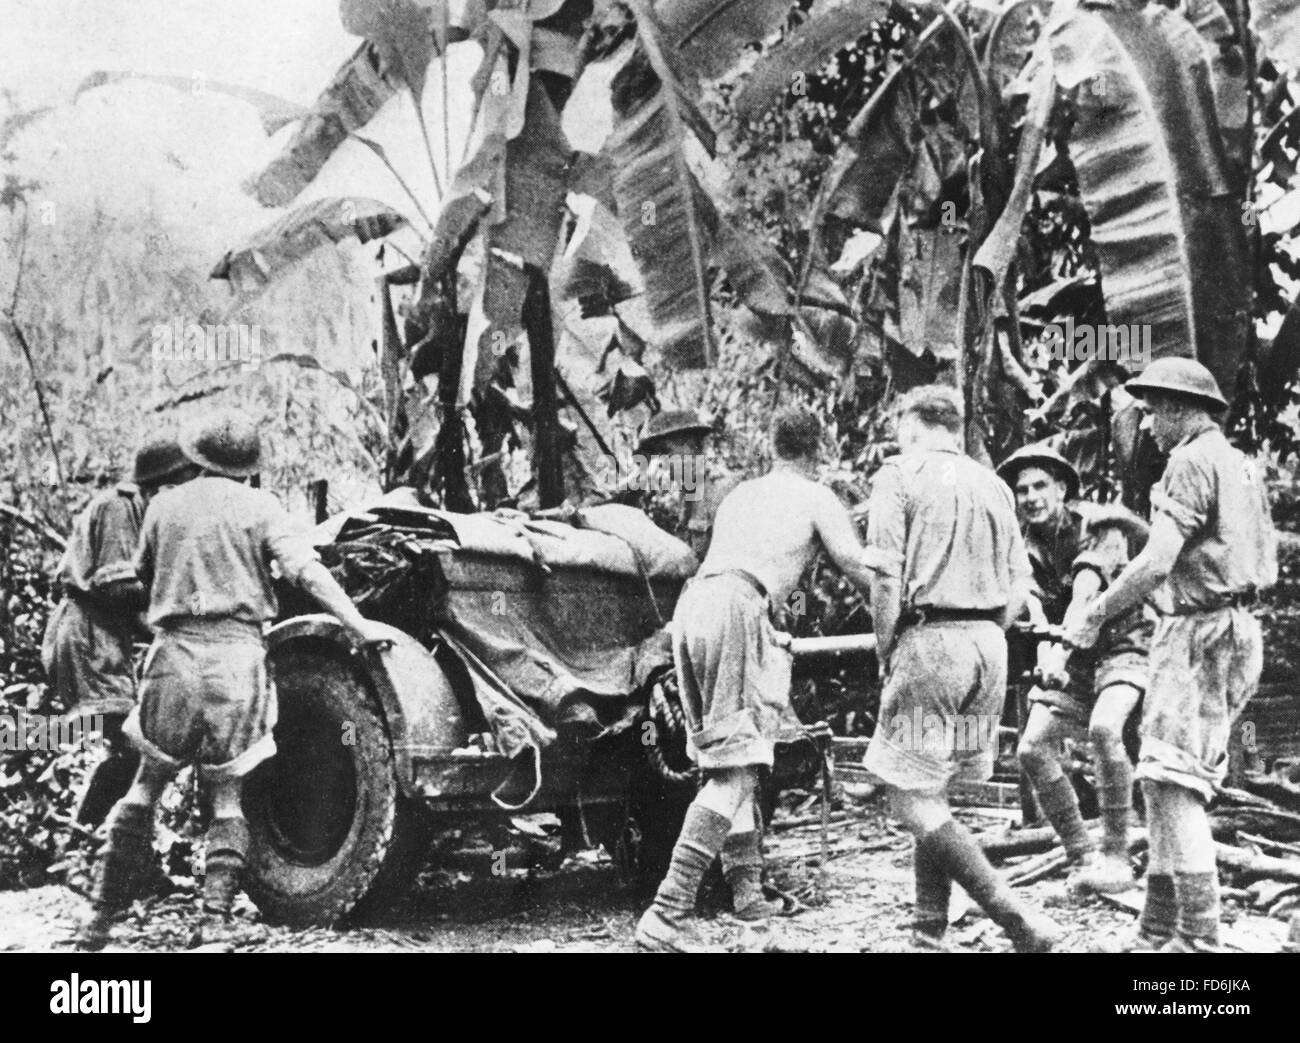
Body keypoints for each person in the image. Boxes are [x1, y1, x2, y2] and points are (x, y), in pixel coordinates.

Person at [75, 410, 391, 950]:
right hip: (237, 659)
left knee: (145, 786)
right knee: (228, 798)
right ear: (249, 465)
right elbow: (306, 571)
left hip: (173, 657)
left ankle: (99, 920)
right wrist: (356, 625)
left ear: (195, 456)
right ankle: (214, 922)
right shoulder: (263, 508)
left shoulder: (163, 505)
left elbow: (142, 577)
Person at [634, 406, 880, 952]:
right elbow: (860, 570)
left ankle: (748, 895)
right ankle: (667, 912)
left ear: (773, 445)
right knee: (737, 770)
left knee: (725, 762)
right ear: (822, 447)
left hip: (694, 609)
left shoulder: (743, 494)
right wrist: (900, 616)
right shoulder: (817, 497)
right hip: (736, 607)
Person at [1068, 358, 1276, 952]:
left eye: (1154, 410)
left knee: (1172, 784)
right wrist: (1137, 525)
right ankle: (1158, 929)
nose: (1149, 425)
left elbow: (1159, 563)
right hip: (1234, 627)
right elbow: (1215, 548)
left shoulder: (1187, 460)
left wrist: (1096, 613)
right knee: (1164, 780)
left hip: (1199, 634)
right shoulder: (1237, 463)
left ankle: (1196, 944)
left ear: (1181, 408)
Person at [862, 386, 1061, 952]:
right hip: (987, 651)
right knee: (936, 786)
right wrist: (989, 628)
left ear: (913, 425)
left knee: (906, 794)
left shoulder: (899, 474)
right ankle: (928, 931)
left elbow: (883, 578)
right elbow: (1022, 584)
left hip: (932, 644)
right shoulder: (994, 483)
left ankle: (1014, 914)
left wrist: (885, 648)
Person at [998, 445, 1152, 893]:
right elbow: (1030, 600)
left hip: (1126, 646)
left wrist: (1055, 658)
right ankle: (1081, 855)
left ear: (1062, 489)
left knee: (1106, 730)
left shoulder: (1100, 527)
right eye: (1021, 489)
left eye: (1040, 485)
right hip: (1077, 659)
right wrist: (1045, 646)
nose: (1030, 497)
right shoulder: (1023, 545)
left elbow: (1085, 600)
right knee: (1031, 748)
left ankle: (1117, 856)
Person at [42, 437, 196, 829]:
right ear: (165, 486)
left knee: (130, 748)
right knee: (137, 747)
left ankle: (90, 840)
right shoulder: (118, 507)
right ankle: (97, 843)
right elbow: (117, 588)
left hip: (105, 636)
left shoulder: (139, 510)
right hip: (88, 636)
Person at [633, 410, 742, 560]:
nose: (661, 462)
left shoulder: (725, 490)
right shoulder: (688, 492)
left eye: (666, 452)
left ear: (693, 447)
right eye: (658, 455)